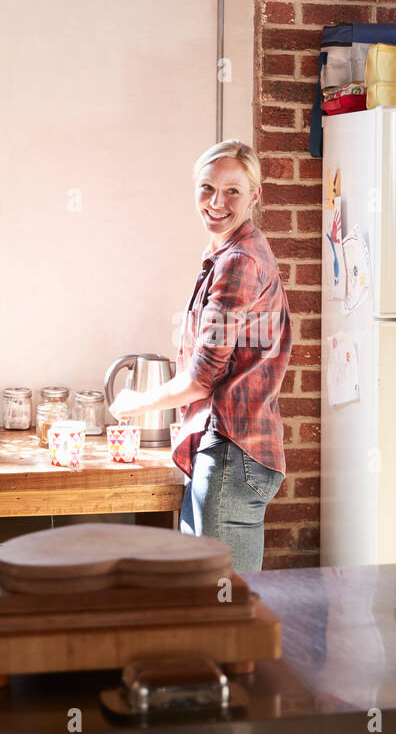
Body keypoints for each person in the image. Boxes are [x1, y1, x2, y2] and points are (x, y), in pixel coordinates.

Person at [110, 140, 292, 574]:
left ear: (255, 195)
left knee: (224, 605)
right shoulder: (231, 255)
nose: (217, 202)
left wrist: (137, 402)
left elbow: (201, 378)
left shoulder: (238, 262)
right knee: (214, 602)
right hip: (232, 451)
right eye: (207, 188)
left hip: (231, 453)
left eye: (232, 191)